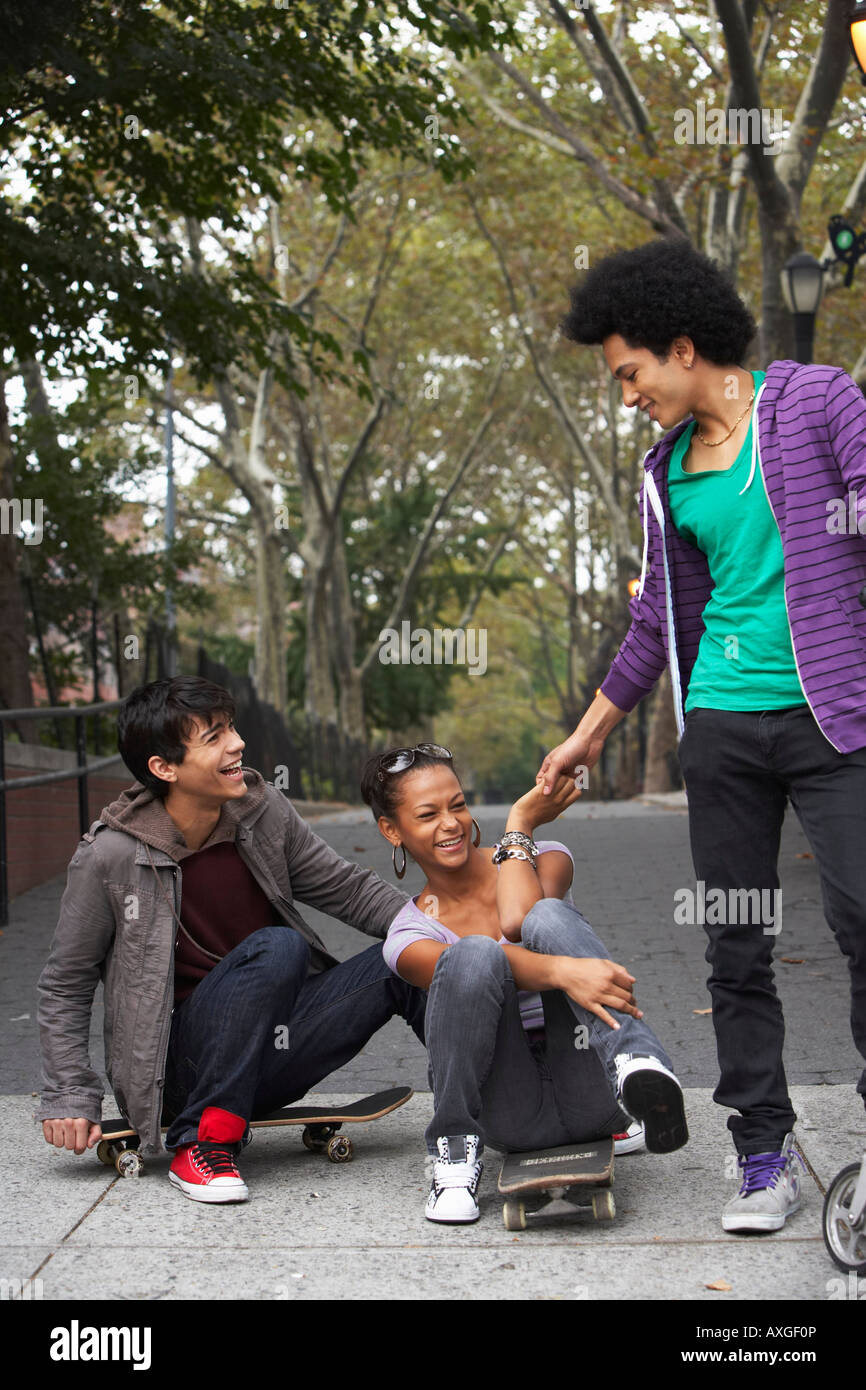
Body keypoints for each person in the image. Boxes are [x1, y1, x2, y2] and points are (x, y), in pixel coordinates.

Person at [538, 237, 866, 1234]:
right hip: (722, 727)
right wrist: (584, 738)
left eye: (629, 372)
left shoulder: (817, 403)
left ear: (683, 347)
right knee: (734, 939)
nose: (626, 394)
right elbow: (655, 621)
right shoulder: (664, 471)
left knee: (860, 921)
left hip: (833, 717)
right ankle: (761, 1155)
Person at [37, 676, 425, 1203]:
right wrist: (68, 1093)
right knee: (278, 946)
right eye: (214, 736)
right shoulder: (109, 858)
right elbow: (66, 983)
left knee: (408, 956)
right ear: (164, 767)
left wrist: (452, 932)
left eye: (233, 728)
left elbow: (348, 889)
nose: (237, 743)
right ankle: (200, 1143)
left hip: (273, 1051)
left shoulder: (261, 813)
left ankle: (487, 1114)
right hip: (177, 1074)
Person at [361, 742, 687, 1224]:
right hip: (509, 1109)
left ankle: (634, 1062)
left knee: (548, 914)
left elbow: (520, 919)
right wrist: (561, 971)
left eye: (457, 806)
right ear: (392, 830)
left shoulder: (546, 858)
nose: (450, 824)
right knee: (471, 954)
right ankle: (453, 1157)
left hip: (591, 1090)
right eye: (428, 814)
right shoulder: (408, 937)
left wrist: (520, 823)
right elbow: (493, 953)